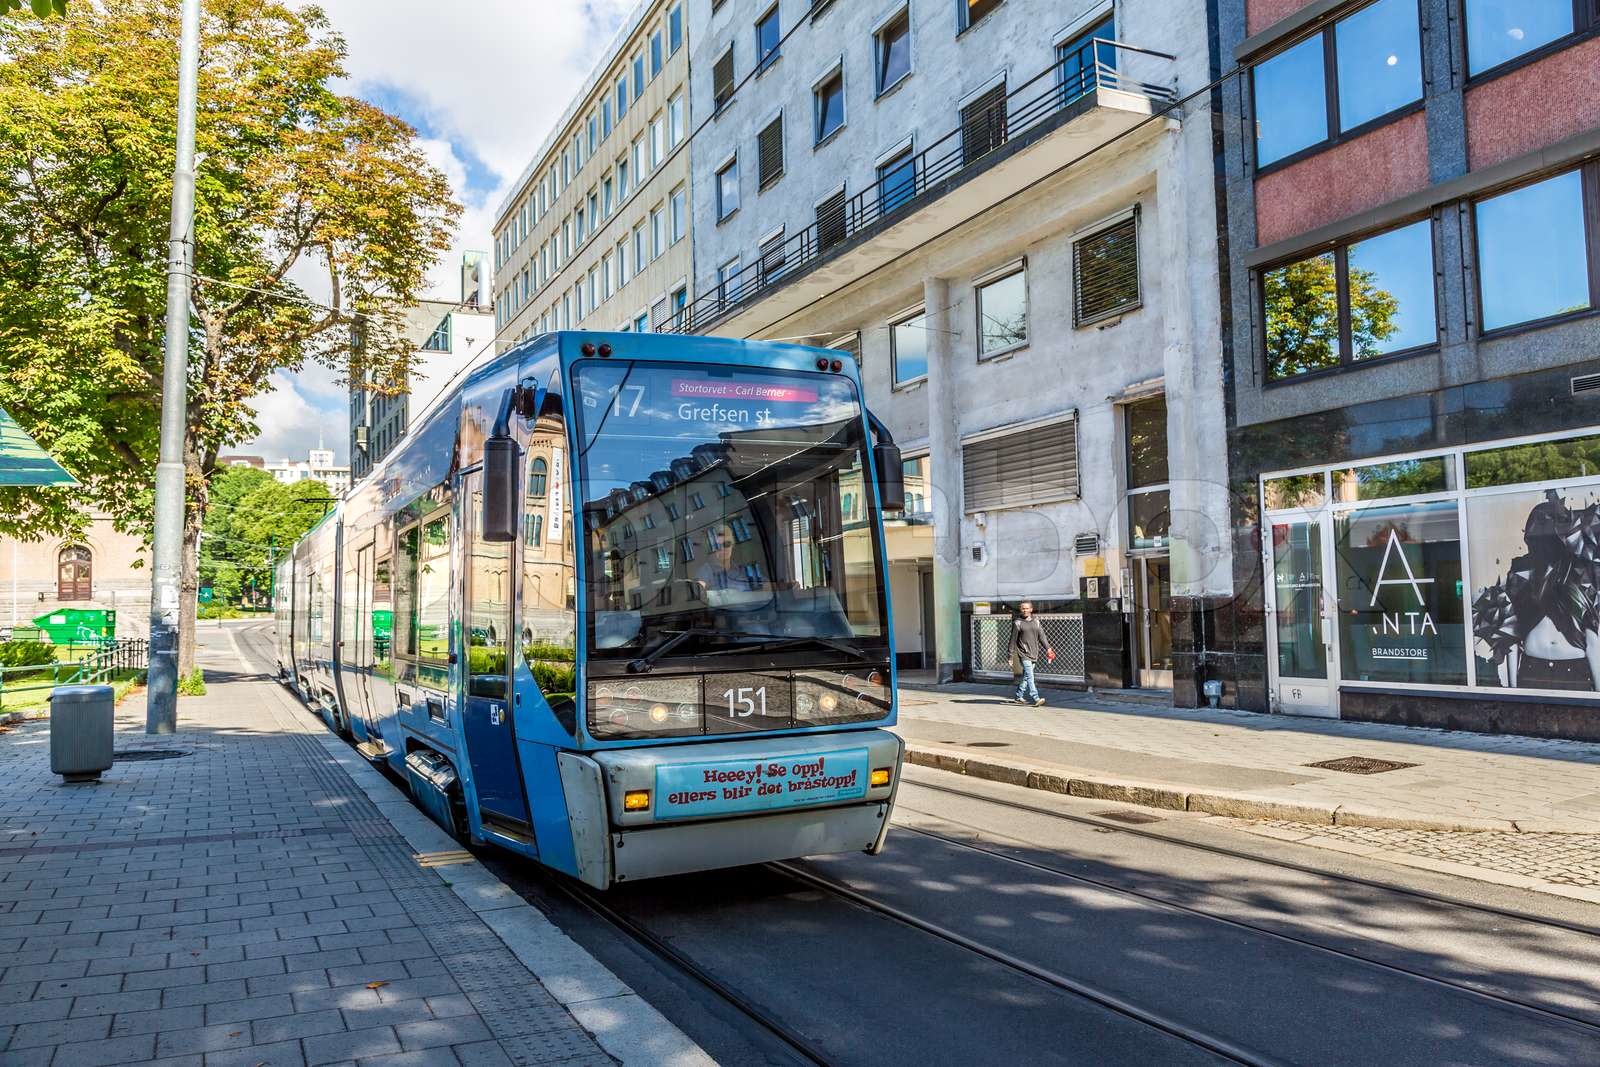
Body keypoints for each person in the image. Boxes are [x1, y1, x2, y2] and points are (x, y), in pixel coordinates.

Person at [1008, 601, 1051, 706]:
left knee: (1026, 676)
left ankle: (1018, 696)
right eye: (1023, 608)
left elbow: (1042, 636)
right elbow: (1012, 640)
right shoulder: (1017, 623)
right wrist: (1010, 656)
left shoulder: (1036, 621)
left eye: (1027, 608)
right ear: (1020, 610)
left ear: (1031, 609)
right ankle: (1036, 697)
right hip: (1023, 653)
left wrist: (1048, 648)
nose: (1025, 610)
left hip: (1034, 653)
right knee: (1030, 676)